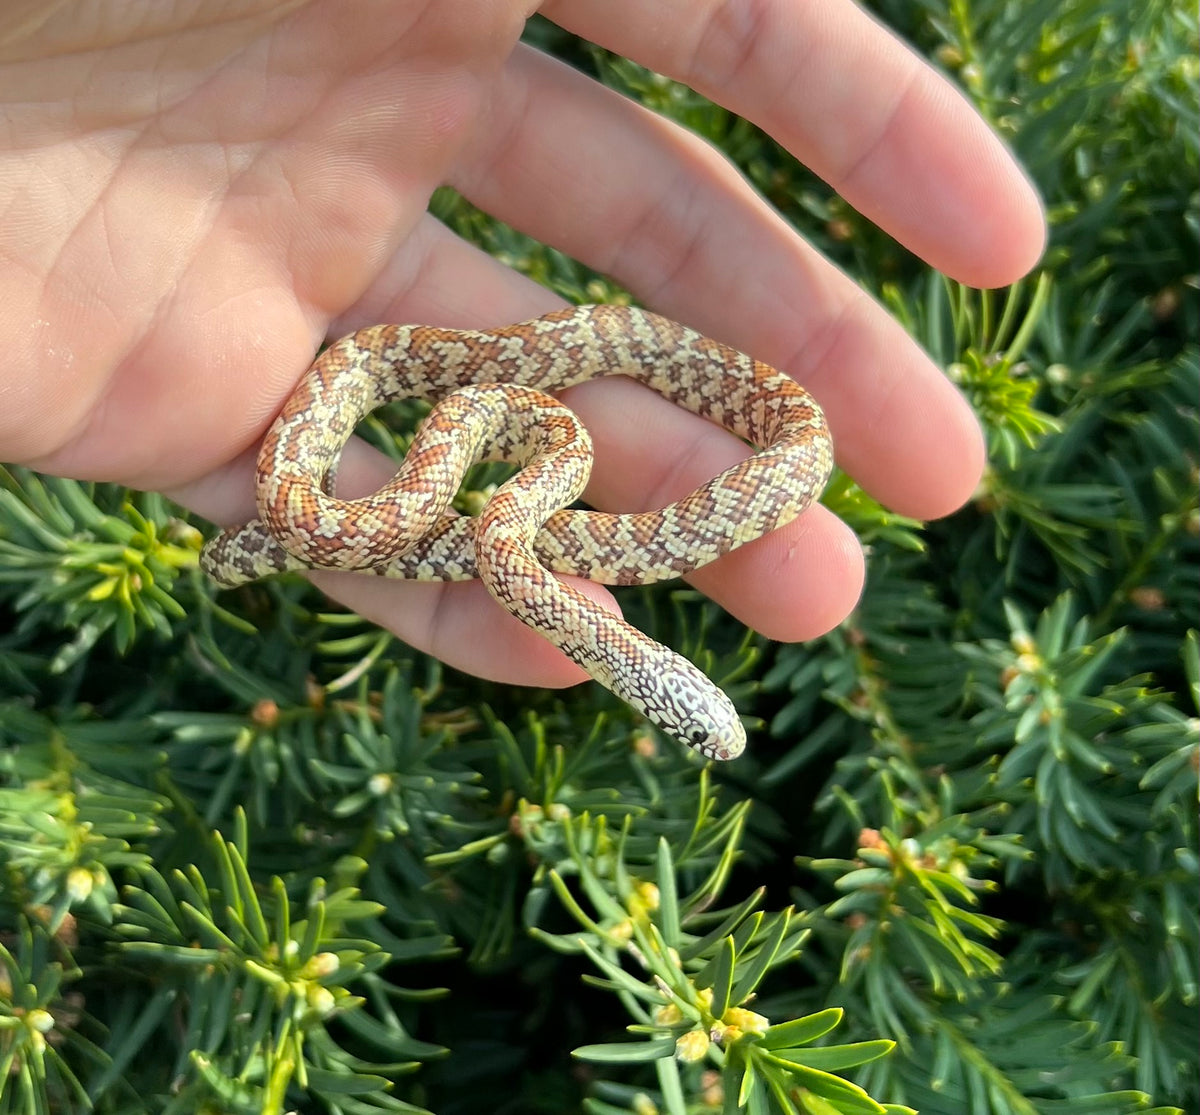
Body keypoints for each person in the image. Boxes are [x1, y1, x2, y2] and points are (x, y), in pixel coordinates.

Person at [0, 0, 1045, 690]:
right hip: (478, 461)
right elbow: (491, 515)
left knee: (750, 448)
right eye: (683, 711)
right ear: (644, 673)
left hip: (508, 469)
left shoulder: (536, 502)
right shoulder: (538, 480)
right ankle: (285, 533)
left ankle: (283, 536)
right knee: (400, 504)